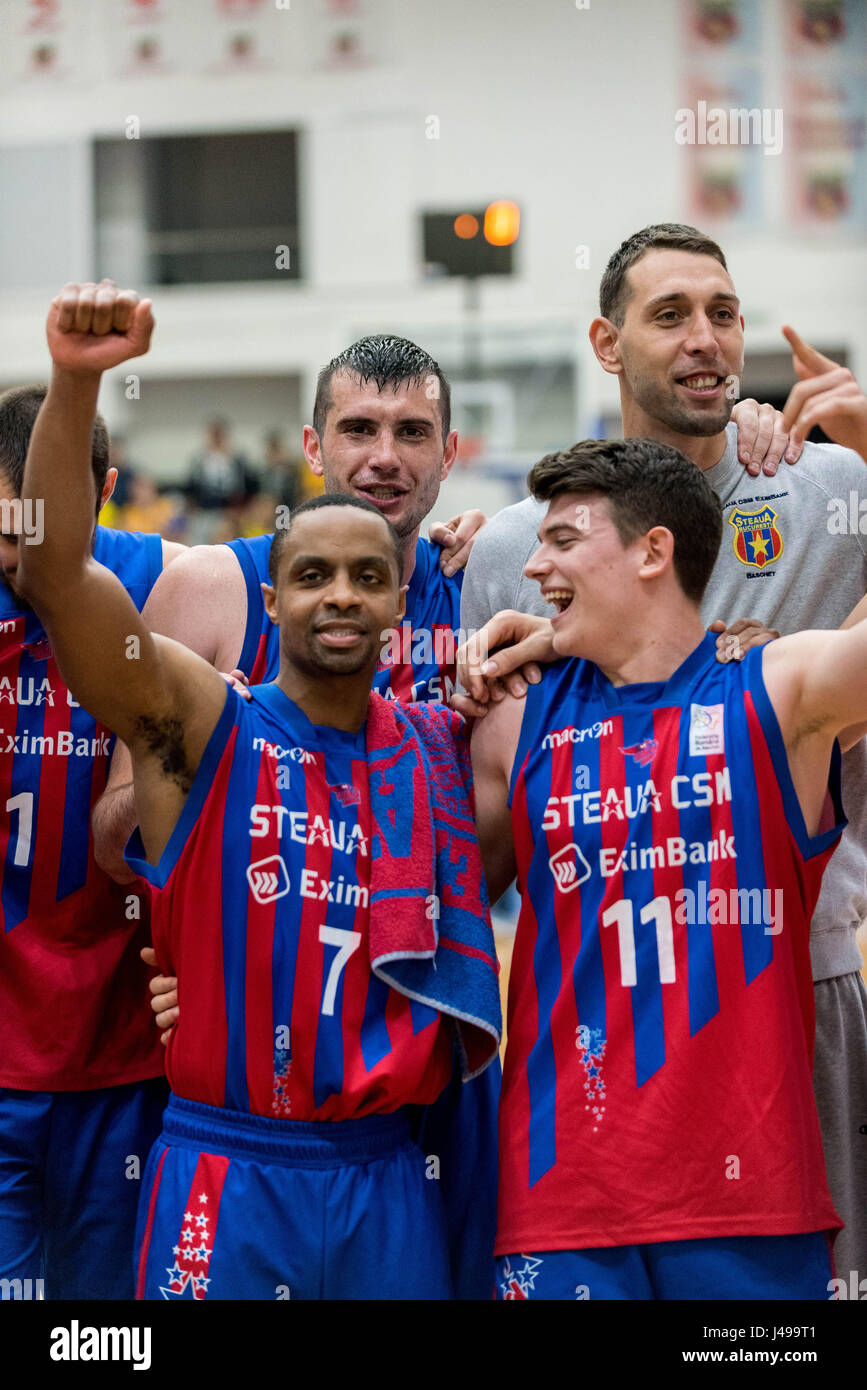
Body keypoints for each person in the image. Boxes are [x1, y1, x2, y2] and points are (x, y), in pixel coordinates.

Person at [18, 282, 501, 1301]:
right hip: (223, 1157)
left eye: (367, 579)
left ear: (404, 601)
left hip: (391, 1159)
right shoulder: (205, 718)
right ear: (268, 593)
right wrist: (73, 381)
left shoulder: (437, 734)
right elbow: (61, 573)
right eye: (314, 574)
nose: (341, 595)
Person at [459, 222, 867, 1282]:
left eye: (725, 314)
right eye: (671, 315)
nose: (706, 341)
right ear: (607, 341)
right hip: (593, 1006)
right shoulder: (513, 546)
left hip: (794, 971)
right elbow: (478, 826)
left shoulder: (827, 489)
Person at [92, 333, 486, 884]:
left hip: (420, 960)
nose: (385, 457)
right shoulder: (208, 588)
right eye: (358, 429)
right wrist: (193, 754)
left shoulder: (480, 590)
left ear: (447, 456)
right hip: (252, 962)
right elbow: (115, 851)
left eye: (412, 432)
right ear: (313, 448)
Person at [0, 380, 186, 1300]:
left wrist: (441, 552)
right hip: (4, 1057)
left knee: (107, 1330)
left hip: (123, 1059)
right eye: (4, 529)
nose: (21, 557)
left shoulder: (172, 585)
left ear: (98, 490)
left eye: (40, 528)